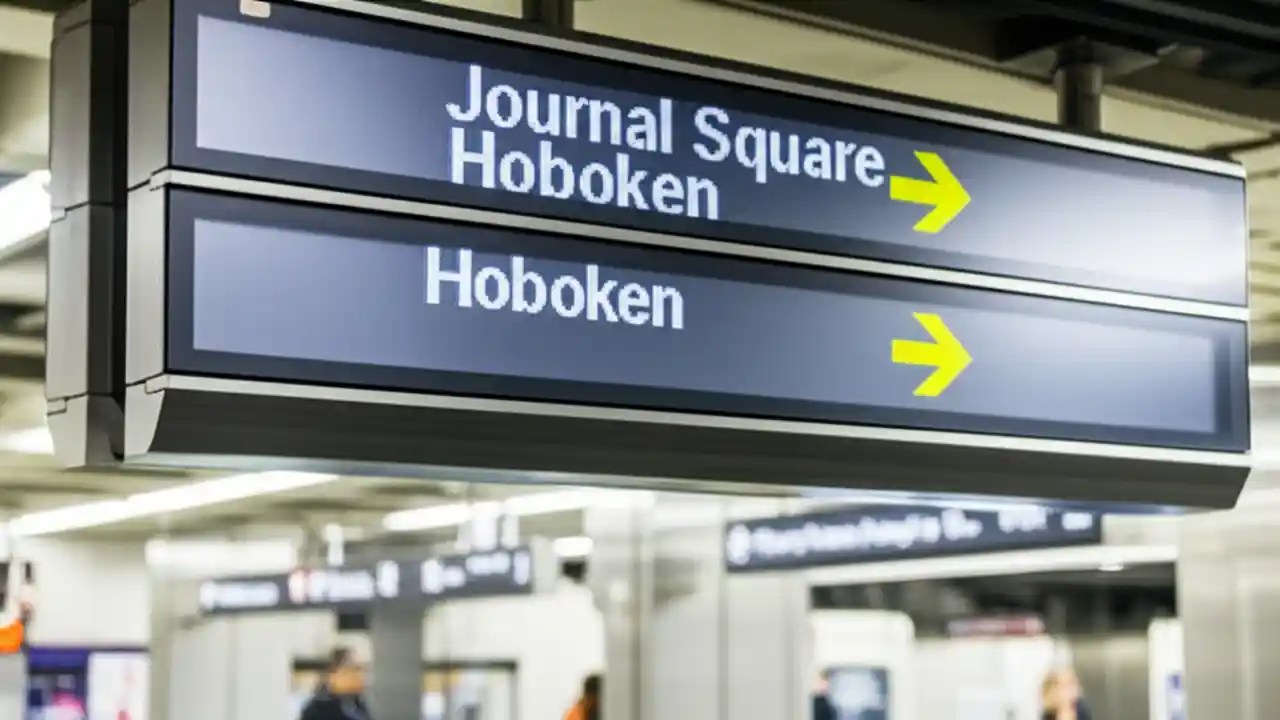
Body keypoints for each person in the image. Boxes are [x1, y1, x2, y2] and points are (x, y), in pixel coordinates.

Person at [300, 648, 371, 720]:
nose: (358, 675)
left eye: (359, 669)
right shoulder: (318, 708)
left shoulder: (357, 703)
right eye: (351, 668)